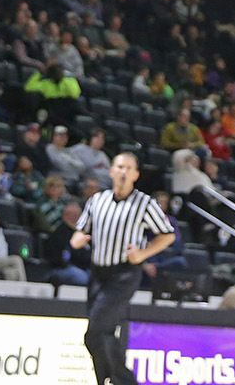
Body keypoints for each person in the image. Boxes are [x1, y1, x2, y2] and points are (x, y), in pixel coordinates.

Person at [71, 152, 176, 385]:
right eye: (119, 166)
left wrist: (144, 254)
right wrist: (76, 240)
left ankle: (124, 382)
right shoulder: (97, 200)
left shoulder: (145, 203)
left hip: (124, 273)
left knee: (95, 333)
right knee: (103, 334)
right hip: (97, 273)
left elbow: (168, 235)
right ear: (111, 171)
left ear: (136, 175)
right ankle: (107, 381)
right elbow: (80, 230)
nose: (123, 171)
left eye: (129, 168)